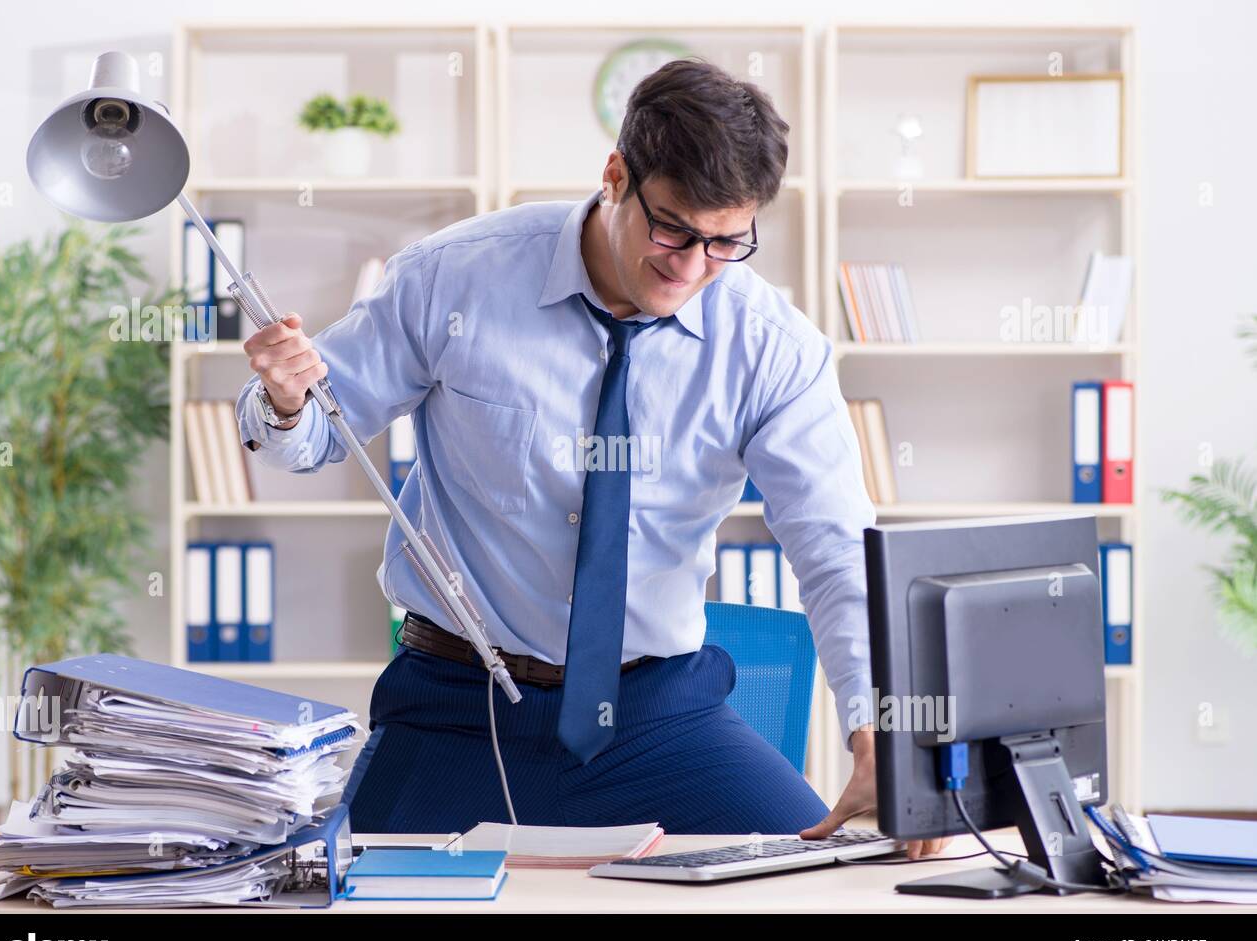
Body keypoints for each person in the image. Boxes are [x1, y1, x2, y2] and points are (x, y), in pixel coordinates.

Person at [236, 59, 949, 858]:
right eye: (673, 227)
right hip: (455, 705)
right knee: (334, 892)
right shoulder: (454, 278)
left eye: (725, 242)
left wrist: (875, 725)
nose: (690, 266)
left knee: (817, 877)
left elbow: (836, 549)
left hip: (659, 719)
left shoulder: (771, 349)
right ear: (616, 177)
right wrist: (287, 400)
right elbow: (314, 434)